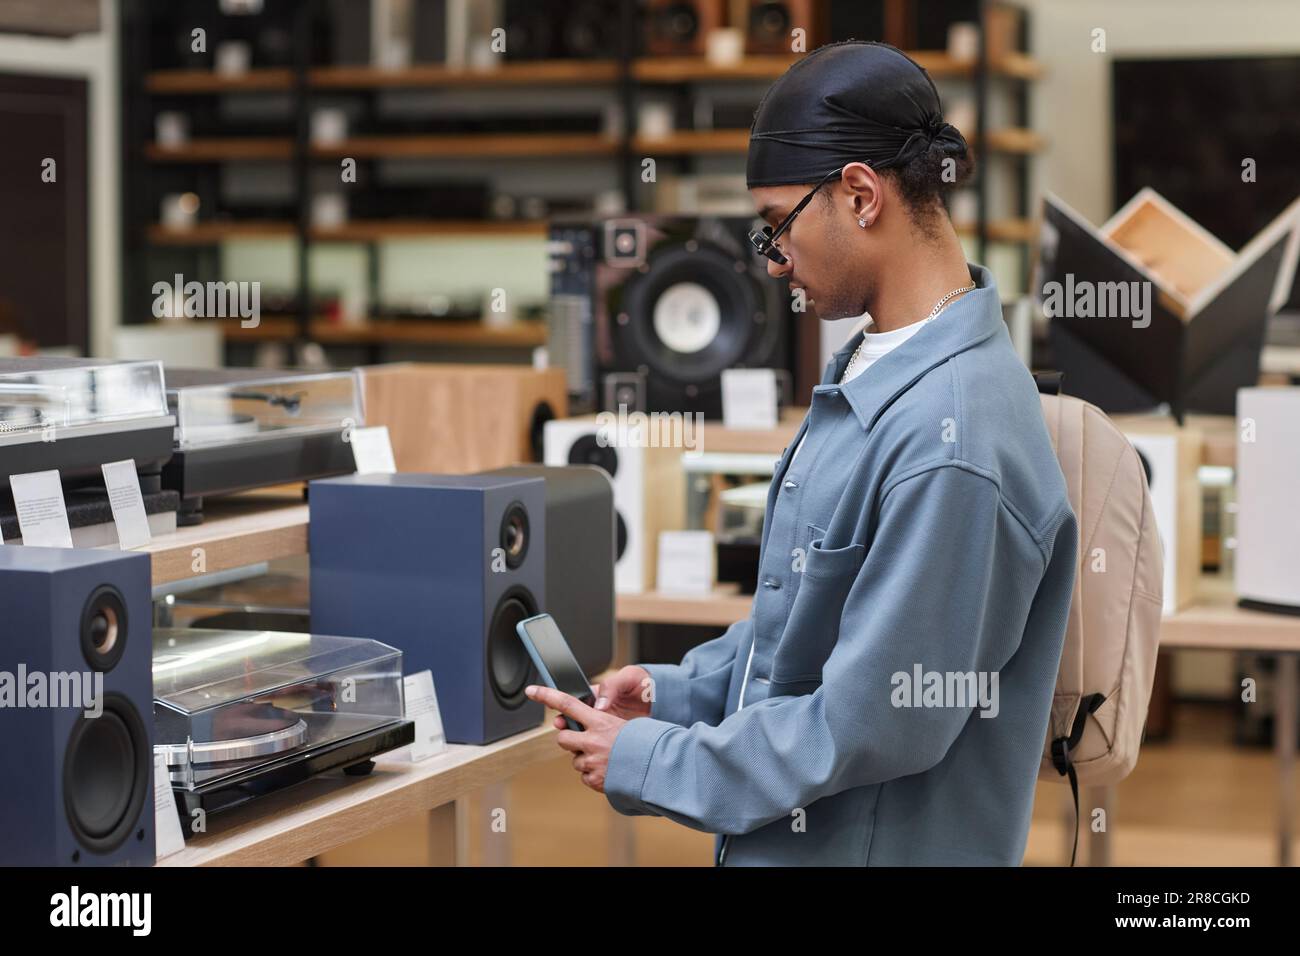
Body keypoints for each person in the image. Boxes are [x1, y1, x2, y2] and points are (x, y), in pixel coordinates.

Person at [527, 41, 1078, 866]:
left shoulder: (952, 440)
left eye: (777, 224)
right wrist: (678, 692)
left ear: (860, 194)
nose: (773, 257)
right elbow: (805, 629)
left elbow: (866, 724)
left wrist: (650, 760)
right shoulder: (874, 363)